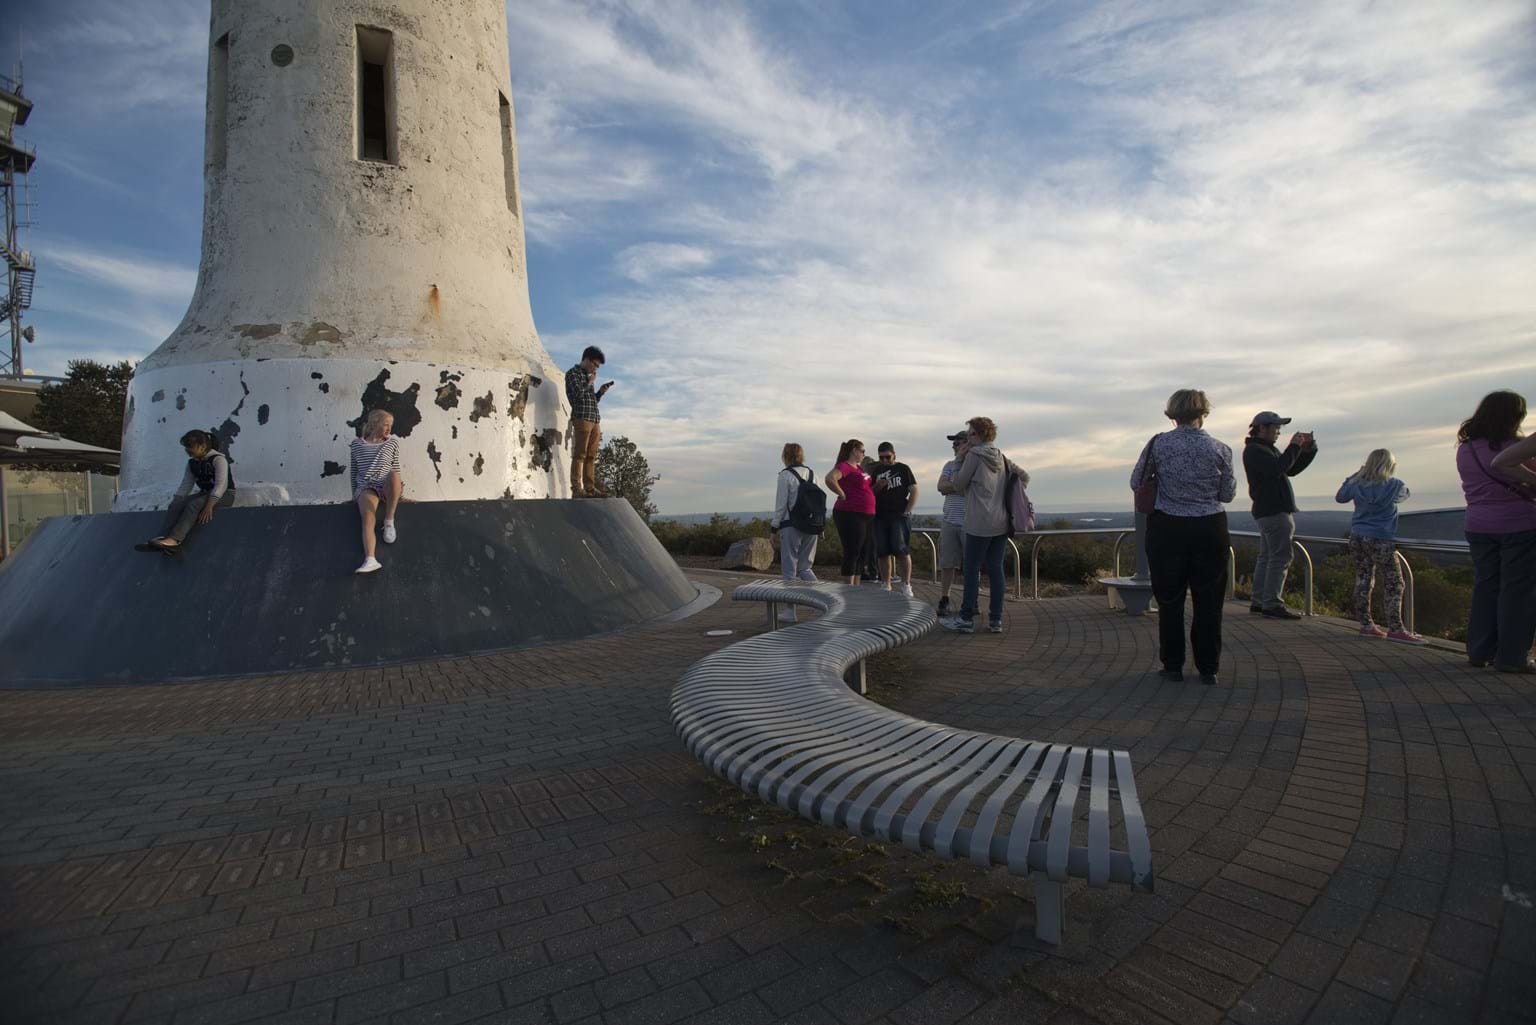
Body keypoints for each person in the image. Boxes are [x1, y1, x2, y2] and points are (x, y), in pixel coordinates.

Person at [1129, 389, 1236, 685]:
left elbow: (1137, 481)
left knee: (1170, 598)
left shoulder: (1159, 445)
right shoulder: (1221, 449)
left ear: (1172, 414)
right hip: (1210, 527)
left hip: (1168, 527)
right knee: (1209, 600)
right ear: (1203, 413)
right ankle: (1209, 667)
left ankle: (1173, 665)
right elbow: (1227, 494)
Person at [1457, 390, 1536, 674]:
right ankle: (1512, 657)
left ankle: (1479, 651)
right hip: (1520, 524)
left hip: (1477, 525)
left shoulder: (1465, 449)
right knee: (1517, 592)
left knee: (1486, 587)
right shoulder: (1518, 447)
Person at [940, 417, 1027, 635]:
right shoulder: (1001, 457)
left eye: (970, 434)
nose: (967, 438)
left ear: (977, 435)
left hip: (978, 522)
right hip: (1001, 522)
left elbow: (958, 484)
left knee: (971, 570)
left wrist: (960, 459)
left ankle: (966, 618)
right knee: (996, 570)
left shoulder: (974, 456)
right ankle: (995, 620)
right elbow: (1024, 477)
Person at [1336, 449, 1422, 644]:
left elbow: (1340, 497)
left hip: (1358, 536)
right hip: (1381, 539)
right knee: (1394, 583)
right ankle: (1396, 628)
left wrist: (1355, 476)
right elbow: (1405, 495)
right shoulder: (1395, 485)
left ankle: (1366, 625)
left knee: (1364, 579)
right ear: (1390, 466)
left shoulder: (1357, 484)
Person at [1243, 411, 1317, 619]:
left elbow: (1289, 469)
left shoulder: (1263, 449)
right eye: (1275, 428)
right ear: (1262, 428)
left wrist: (1307, 450)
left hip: (1268, 511)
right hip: (1274, 511)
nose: (1278, 432)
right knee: (1280, 557)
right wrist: (1293, 446)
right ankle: (1271, 603)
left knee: (1267, 557)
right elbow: (1278, 468)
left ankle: (1259, 601)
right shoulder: (1256, 450)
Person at [143, 429, 236, 552]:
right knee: (177, 505)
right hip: (205, 493)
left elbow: (221, 485)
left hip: (224, 495)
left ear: (202, 446)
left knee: (194, 505)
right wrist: (177, 499)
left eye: (190, 447)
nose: (188, 451)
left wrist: (209, 505)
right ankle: (164, 537)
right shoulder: (192, 463)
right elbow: (186, 484)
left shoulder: (218, 460)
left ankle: (175, 539)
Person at [771, 443, 820, 623]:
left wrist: (773, 528)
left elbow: (781, 505)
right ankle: (823, 599)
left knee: (789, 571)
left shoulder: (785, 476)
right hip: (812, 526)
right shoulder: (813, 474)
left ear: (786, 456)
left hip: (791, 526)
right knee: (805, 567)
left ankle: (790, 611)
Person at [351, 409, 403, 574]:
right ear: (374, 423)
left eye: (391, 425)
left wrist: (400, 493)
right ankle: (370, 559)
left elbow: (396, 467)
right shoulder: (357, 445)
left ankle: (389, 521)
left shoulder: (392, 443)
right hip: (367, 486)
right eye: (386, 424)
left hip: (386, 483)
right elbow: (354, 471)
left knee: (394, 476)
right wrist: (354, 494)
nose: (389, 429)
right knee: (368, 516)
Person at [565, 345, 614, 498]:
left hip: (594, 419)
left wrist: (600, 392)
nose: (595, 369)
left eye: (598, 366)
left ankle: (590, 488)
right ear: (586, 359)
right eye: (595, 364)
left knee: (591, 456)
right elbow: (577, 396)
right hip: (582, 418)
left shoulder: (588, 377)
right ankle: (577, 488)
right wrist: (590, 383)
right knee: (580, 454)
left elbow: (591, 400)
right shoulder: (573, 374)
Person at [871, 442, 919, 597]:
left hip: (898, 515)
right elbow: (870, 492)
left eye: (887, 457)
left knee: (901, 549)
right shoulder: (877, 470)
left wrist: (907, 511)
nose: (884, 461)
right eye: (881, 458)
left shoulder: (903, 469)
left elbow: (914, 489)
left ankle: (906, 585)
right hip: (880, 515)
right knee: (882, 551)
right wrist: (877, 487)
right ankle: (886, 583)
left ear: (894, 455)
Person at [826, 440, 875, 587]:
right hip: (850, 513)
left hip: (867, 514)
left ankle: (856, 587)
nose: (864, 454)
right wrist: (841, 493)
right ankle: (849, 589)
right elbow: (830, 478)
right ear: (854, 450)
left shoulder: (859, 469)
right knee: (853, 550)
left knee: (863, 552)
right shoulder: (845, 466)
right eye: (863, 451)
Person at [934, 430, 970, 617]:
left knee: (972, 565)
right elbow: (941, 486)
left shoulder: (973, 465)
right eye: (953, 443)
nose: (953, 446)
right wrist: (959, 485)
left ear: (967, 444)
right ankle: (945, 598)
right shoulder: (949, 465)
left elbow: (971, 490)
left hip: (970, 522)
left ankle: (970, 600)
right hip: (949, 521)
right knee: (947, 563)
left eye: (957, 443)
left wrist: (952, 486)